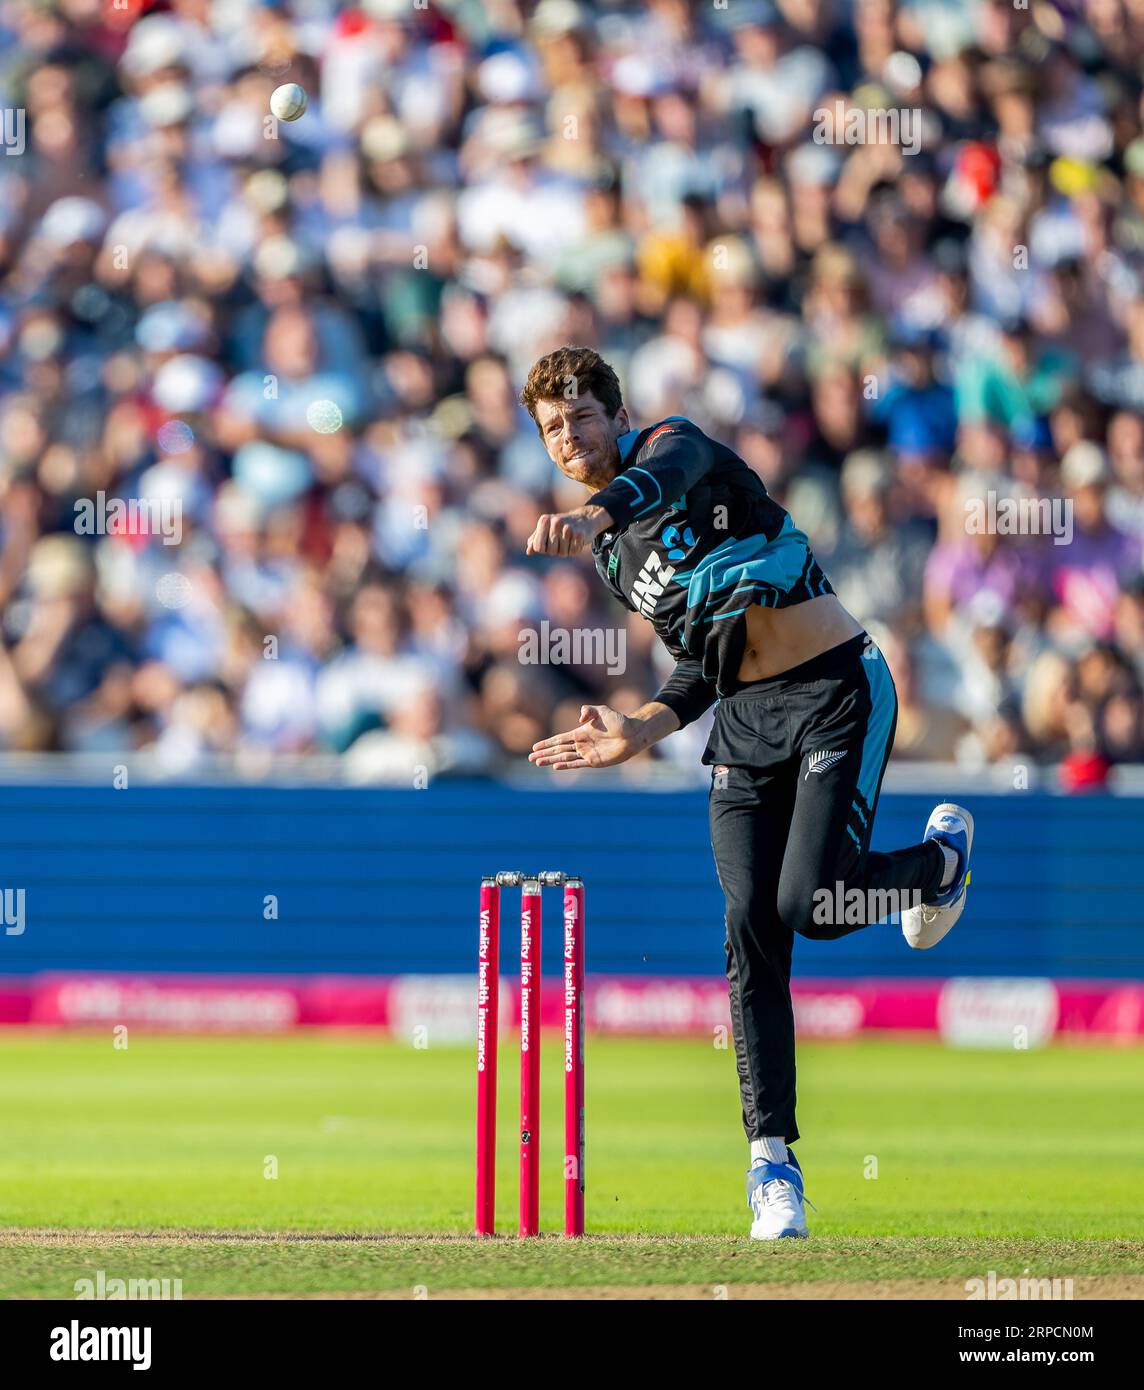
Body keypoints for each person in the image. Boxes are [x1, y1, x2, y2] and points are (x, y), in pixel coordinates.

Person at [522, 346, 974, 1240]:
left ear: (617, 415)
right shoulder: (615, 562)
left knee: (814, 902)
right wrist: (641, 729)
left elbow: (662, 479)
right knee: (748, 930)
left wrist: (593, 511)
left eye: (580, 417)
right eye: (550, 431)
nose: (569, 439)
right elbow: (699, 659)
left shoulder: (675, 450)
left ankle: (935, 866)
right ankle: (773, 1166)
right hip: (743, 724)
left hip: (836, 689)